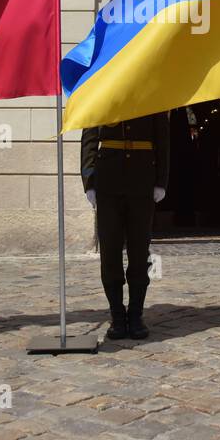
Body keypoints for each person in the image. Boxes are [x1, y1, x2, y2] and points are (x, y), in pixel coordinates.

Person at [80, 113, 170, 340]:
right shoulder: (101, 90)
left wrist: (161, 180)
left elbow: (163, 139)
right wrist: (89, 182)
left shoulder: (150, 94)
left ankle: (136, 315)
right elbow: (90, 137)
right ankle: (117, 316)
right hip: (108, 180)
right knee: (110, 252)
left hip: (142, 180)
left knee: (139, 251)